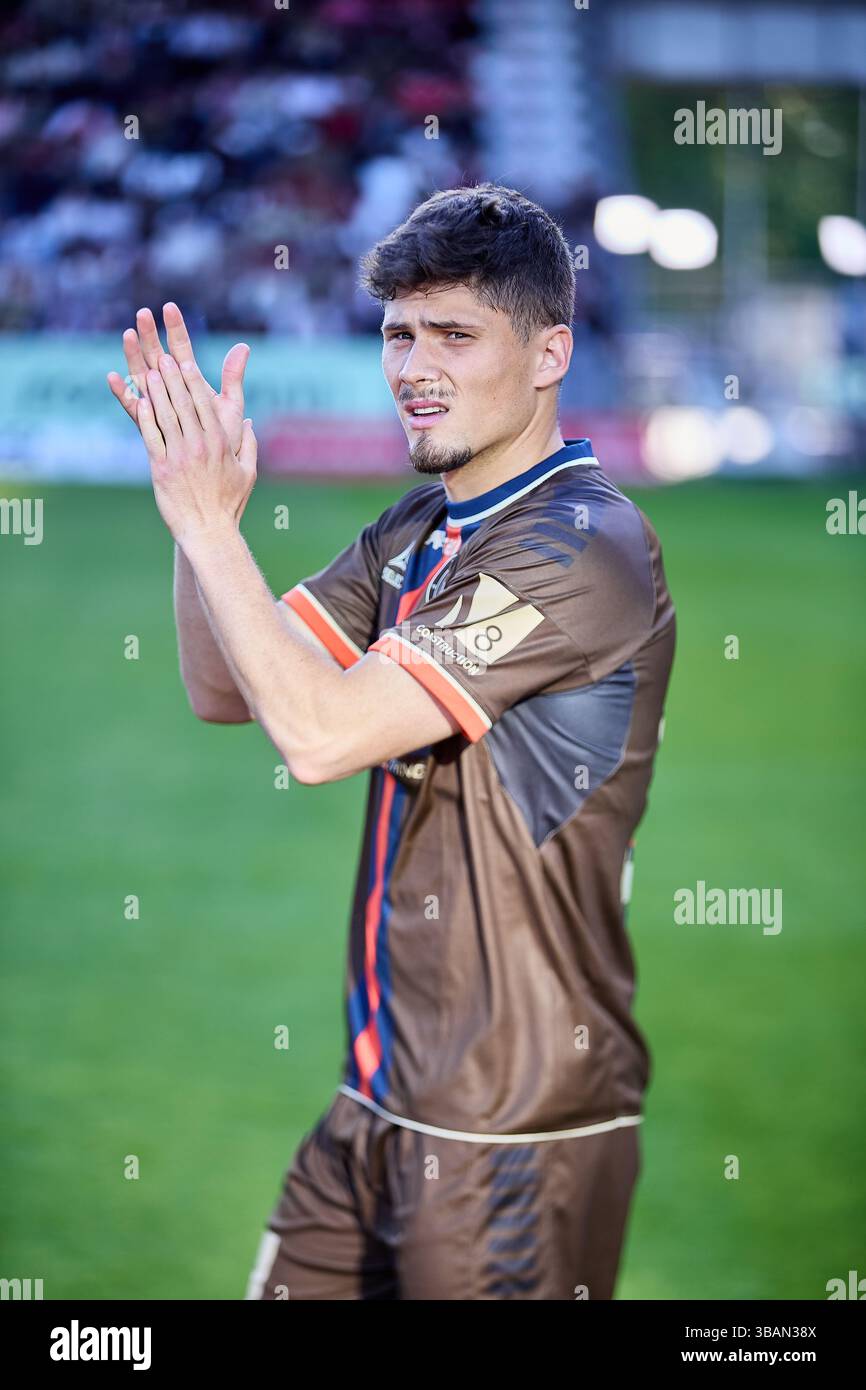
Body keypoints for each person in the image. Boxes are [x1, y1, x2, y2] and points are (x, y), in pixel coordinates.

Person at [107, 182, 676, 1300]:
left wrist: (219, 526)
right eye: (397, 334)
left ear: (550, 351)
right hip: (372, 1107)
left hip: (511, 1133)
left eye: (454, 335)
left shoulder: (581, 548)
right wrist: (193, 519)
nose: (415, 365)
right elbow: (227, 684)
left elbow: (318, 737)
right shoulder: (420, 527)